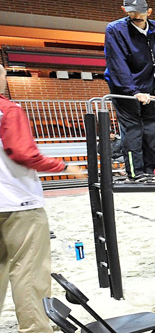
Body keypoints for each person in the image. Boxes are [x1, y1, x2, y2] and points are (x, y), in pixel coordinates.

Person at [1, 64, 77, 333]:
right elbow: (23, 153)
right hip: (16, 201)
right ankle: (35, 329)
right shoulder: (8, 109)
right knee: (29, 269)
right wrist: (63, 166)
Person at [104, 0, 155, 183]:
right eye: (132, 12)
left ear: (149, 12)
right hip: (123, 88)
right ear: (124, 11)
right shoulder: (115, 29)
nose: (136, 16)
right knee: (133, 129)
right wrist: (133, 91)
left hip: (147, 85)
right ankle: (135, 173)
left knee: (150, 129)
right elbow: (117, 62)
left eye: (140, 12)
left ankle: (149, 171)